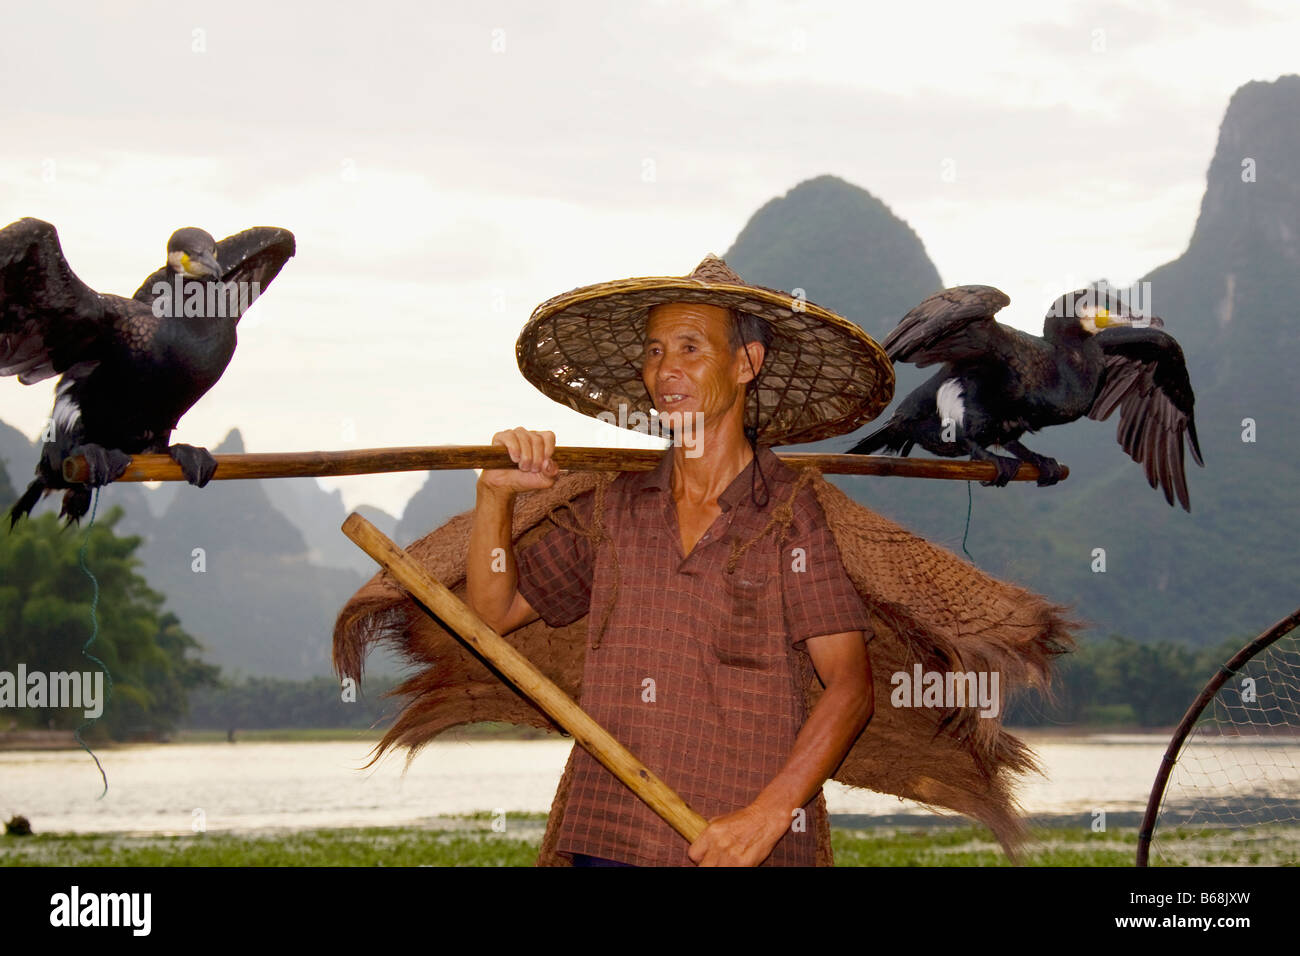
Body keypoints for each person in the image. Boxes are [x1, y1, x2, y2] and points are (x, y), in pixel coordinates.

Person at [466, 259, 889, 866]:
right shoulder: (613, 507)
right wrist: (494, 498)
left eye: (691, 348)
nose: (667, 370)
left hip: (732, 845)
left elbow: (850, 687)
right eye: (655, 350)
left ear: (746, 365)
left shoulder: (789, 516)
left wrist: (767, 815)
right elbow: (492, 612)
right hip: (606, 836)